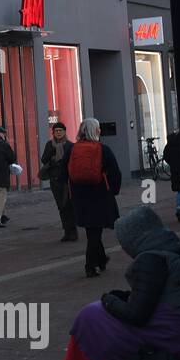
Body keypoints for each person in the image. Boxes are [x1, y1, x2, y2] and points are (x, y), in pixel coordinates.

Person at [62, 206, 180, 360]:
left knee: (91, 317)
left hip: (173, 333)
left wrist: (109, 301)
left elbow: (137, 315)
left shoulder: (150, 259)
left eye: (124, 243)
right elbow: (152, 296)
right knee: (98, 313)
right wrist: (124, 297)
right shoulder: (168, 249)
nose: (124, 250)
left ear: (135, 239)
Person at [66, 118, 122, 278]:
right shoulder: (103, 149)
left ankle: (102, 259)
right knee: (95, 232)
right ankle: (90, 265)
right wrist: (113, 190)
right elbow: (115, 173)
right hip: (100, 195)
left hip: (79, 196)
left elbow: (65, 172)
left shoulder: (72, 150)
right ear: (95, 131)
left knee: (93, 229)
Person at [40, 122, 77, 242]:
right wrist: (52, 158)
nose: (59, 132)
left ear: (65, 132)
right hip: (55, 179)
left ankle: (73, 231)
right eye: (56, 131)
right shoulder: (49, 145)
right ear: (53, 133)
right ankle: (67, 231)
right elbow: (44, 159)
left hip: (67, 179)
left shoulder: (70, 145)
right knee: (61, 206)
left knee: (68, 205)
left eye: (61, 130)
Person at [164, 130, 180, 222]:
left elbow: (166, 156)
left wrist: (173, 164)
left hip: (175, 171)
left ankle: (179, 208)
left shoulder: (170, 142)